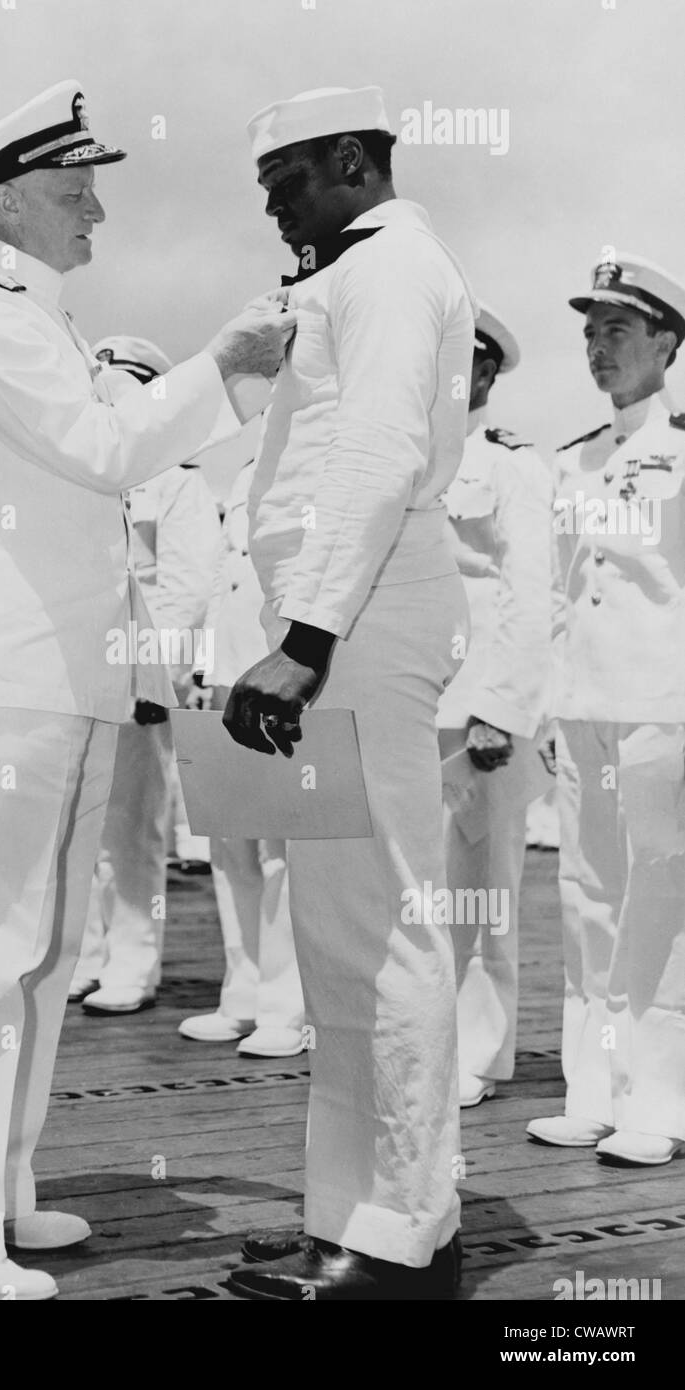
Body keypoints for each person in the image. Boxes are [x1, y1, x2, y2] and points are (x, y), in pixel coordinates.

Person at [0, 78, 294, 1301]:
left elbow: (144, 449)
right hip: (6, 677)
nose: (95, 207)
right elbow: (112, 451)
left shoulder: (43, 330)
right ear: (6, 199)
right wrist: (224, 359)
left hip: (65, 684)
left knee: (39, 950)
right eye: (73, 188)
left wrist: (244, 378)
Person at [221, 84, 475, 1300]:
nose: (273, 210)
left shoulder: (386, 269)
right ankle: (352, 1211)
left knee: (385, 916)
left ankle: (403, 1227)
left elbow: (373, 452)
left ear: (344, 160)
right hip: (335, 612)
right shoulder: (349, 270)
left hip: (359, 616)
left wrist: (306, 638)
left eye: (284, 184)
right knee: (337, 928)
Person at [527, 253, 685, 1167]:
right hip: (585, 703)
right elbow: (558, 594)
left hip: (662, 704)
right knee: (588, 898)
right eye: (589, 332)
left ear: (665, 340)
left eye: (617, 330)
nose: (597, 348)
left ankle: (656, 1103)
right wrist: (552, 704)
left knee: (661, 904)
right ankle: (592, 1089)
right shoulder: (576, 457)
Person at [72, 334, 223, 1013]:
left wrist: (151, 675)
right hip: (82, 678)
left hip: (138, 680)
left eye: (115, 384)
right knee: (84, 825)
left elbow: (189, 587)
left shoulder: (178, 482)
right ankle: (92, 951)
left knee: (133, 827)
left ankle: (133, 962)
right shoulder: (84, 484)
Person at [436, 304, 552, 1108]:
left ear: (484, 374)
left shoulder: (509, 466)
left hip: (477, 707)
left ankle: (478, 1053)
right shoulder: (406, 457)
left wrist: (498, 709)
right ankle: (426, 1040)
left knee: (480, 886)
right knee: (418, 889)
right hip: (411, 704)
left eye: (460, 361)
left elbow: (527, 592)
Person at [178, 458, 305, 1057]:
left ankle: (286, 1009)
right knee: (230, 846)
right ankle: (243, 995)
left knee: (282, 848)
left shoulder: (317, 456)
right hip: (228, 673)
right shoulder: (247, 467)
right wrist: (203, 666)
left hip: (276, 671)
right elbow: (218, 578)